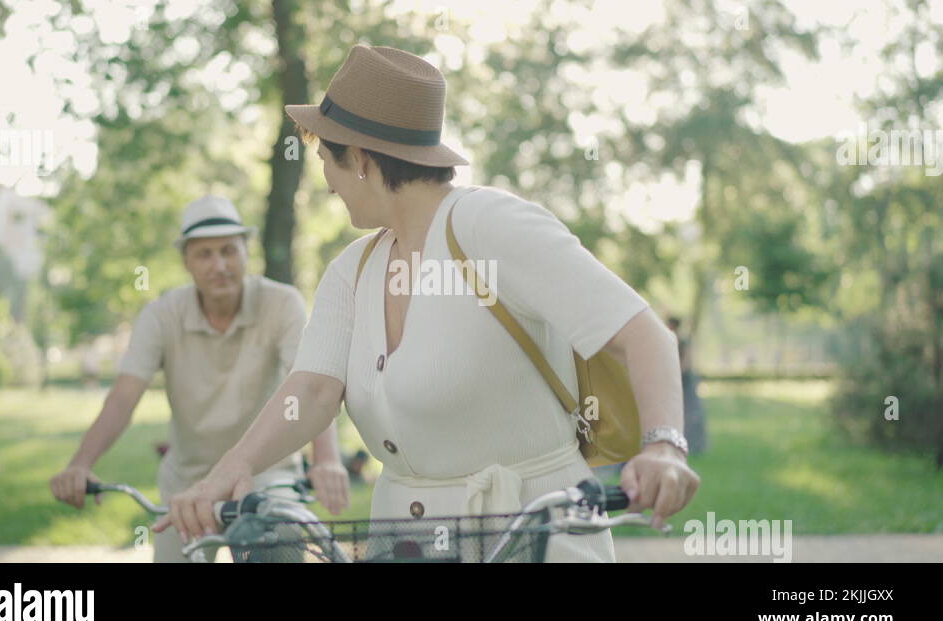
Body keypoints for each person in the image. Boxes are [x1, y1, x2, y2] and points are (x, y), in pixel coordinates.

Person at [154, 45, 700, 562]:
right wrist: (227, 472)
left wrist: (664, 448)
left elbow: (643, 333)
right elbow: (313, 390)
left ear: (362, 159)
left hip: (534, 532)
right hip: (407, 539)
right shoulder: (354, 268)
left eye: (328, 158)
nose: (326, 181)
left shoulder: (492, 226)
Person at [51, 195, 350, 562]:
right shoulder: (161, 315)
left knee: (280, 551)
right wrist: (81, 464)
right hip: (188, 484)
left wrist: (326, 460)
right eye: (204, 254)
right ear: (186, 261)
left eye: (229, 250)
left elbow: (308, 385)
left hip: (266, 476)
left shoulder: (282, 303)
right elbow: (123, 397)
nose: (219, 265)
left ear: (246, 252)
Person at [667, 316, 708, 454]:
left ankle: (693, 444)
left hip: (685, 381)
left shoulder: (683, 342)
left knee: (691, 413)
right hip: (676, 380)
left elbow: (686, 363)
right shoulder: (669, 339)